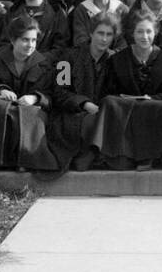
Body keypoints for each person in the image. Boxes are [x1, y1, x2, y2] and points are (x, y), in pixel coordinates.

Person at [92, 12, 162, 169]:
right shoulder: (117, 59)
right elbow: (109, 90)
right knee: (108, 102)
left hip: (154, 104)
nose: (144, 36)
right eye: (139, 31)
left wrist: (152, 97)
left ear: (156, 32)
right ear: (132, 33)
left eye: (148, 32)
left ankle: (152, 156)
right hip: (125, 104)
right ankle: (119, 155)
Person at [0, 16, 59, 173]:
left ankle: (25, 160)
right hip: (5, 109)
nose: (30, 45)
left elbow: (53, 95)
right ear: (13, 40)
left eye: (33, 40)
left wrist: (35, 97)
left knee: (30, 111)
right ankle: (1, 161)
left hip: (31, 110)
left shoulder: (45, 64)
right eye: (25, 40)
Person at [49, 15, 119, 171]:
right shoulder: (67, 57)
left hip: (103, 115)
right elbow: (59, 92)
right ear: (91, 33)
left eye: (109, 35)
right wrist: (84, 103)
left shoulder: (116, 60)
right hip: (71, 114)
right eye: (100, 33)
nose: (104, 39)